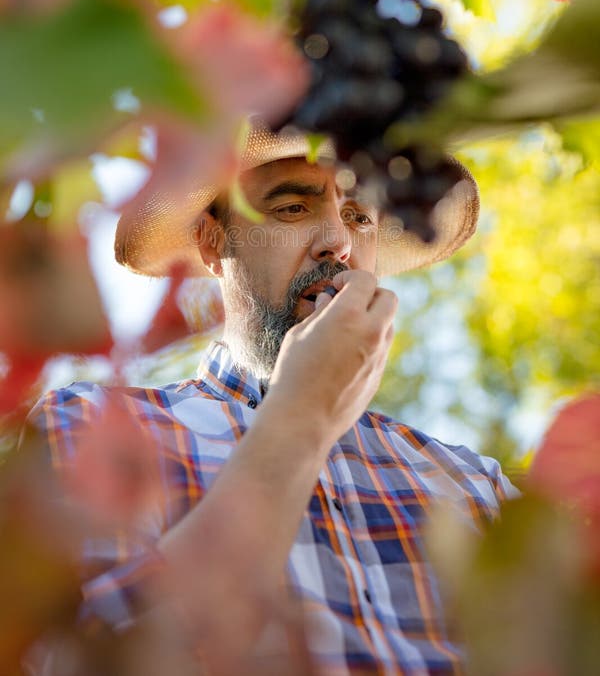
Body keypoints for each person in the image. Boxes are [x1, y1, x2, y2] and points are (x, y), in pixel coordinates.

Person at [30, 121, 516, 675]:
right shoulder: (95, 432)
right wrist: (302, 416)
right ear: (213, 243)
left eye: (359, 217)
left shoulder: (476, 487)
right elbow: (87, 661)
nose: (338, 240)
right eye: (292, 208)